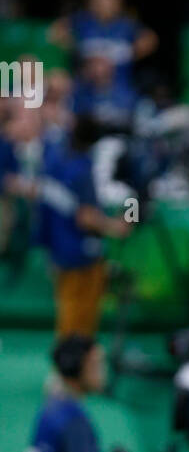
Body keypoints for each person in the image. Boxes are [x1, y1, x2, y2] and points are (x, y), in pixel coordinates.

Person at [36, 113, 130, 337]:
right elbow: (85, 216)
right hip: (80, 253)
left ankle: (68, 365)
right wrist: (116, 226)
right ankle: (71, 366)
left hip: (60, 249)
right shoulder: (82, 170)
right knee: (81, 316)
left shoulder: (56, 161)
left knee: (68, 311)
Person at [50, 0, 158, 94]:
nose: (104, 3)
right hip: (83, 91)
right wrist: (74, 47)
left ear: (119, 2)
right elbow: (56, 31)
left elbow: (151, 39)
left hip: (121, 91)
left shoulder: (127, 24)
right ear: (90, 1)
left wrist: (128, 53)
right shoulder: (81, 20)